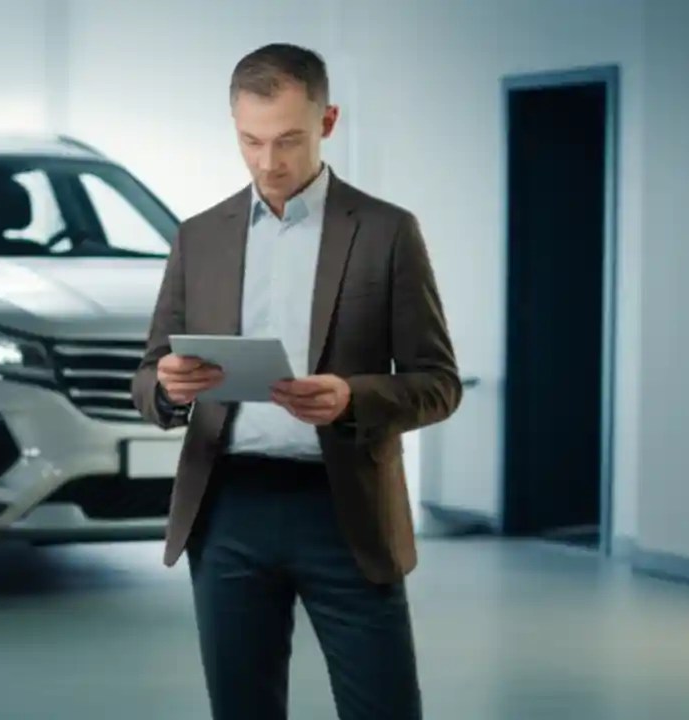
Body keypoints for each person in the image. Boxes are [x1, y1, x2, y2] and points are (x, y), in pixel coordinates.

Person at [131, 42, 461, 720]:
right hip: (226, 509)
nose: (268, 162)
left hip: (345, 511)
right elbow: (148, 376)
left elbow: (438, 382)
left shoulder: (386, 232)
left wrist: (354, 398)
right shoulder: (199, 236)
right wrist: (168, 387)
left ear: (328, 122)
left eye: (288, 140)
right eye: (250, 140)